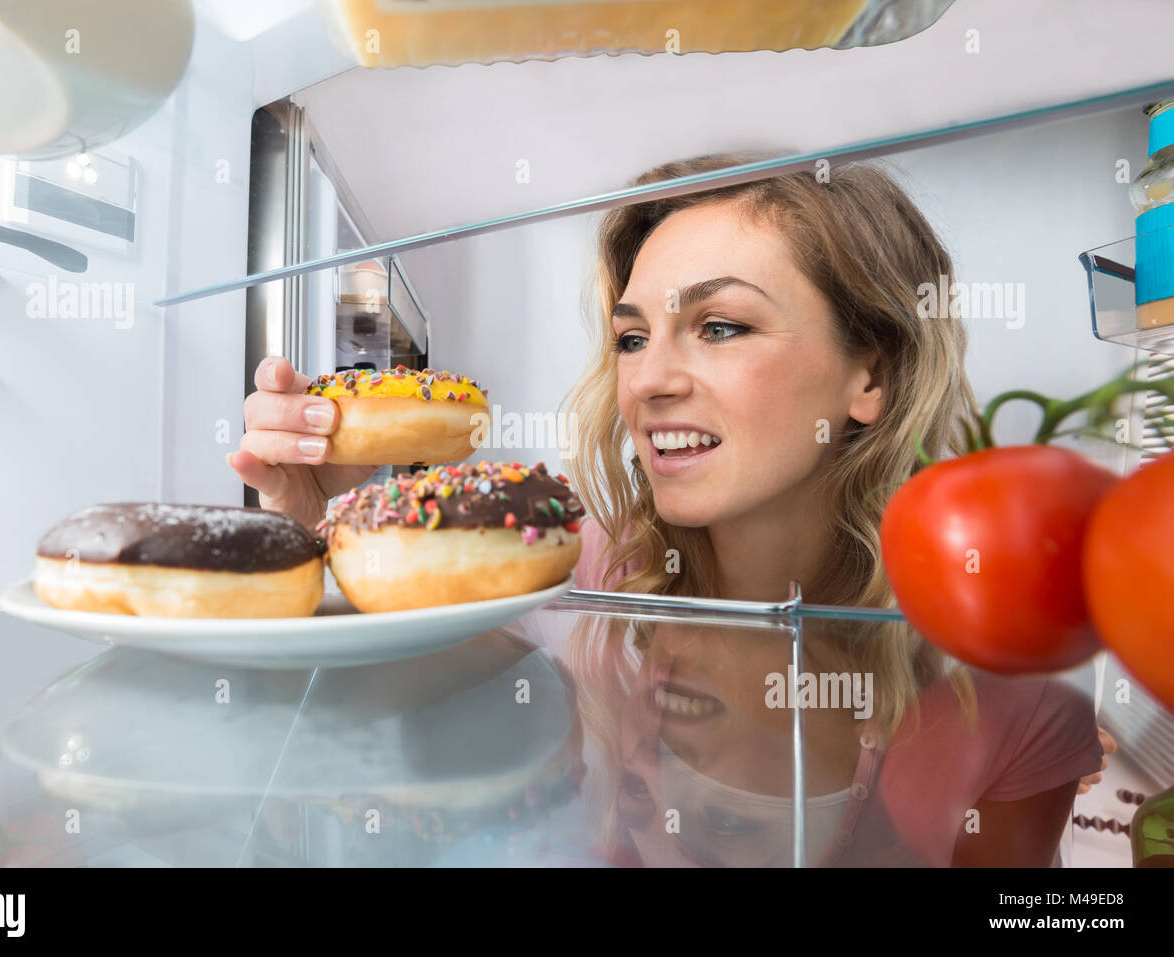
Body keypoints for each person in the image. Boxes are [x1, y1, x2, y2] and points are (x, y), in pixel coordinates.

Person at [229, 153, 1107, 866]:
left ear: (868, 374)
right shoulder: (569, 565)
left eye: (720, 326)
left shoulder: (1011, 699)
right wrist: (335, 535)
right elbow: (357, 737)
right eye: (632, 337)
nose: (648, 380)